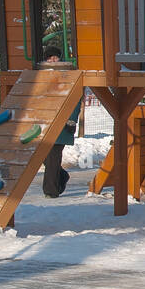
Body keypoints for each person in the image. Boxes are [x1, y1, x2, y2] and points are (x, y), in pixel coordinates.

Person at [41, 51, 80, 198]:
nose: (52, 59)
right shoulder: (42, 76)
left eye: (55, 56)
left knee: (52, 156)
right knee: (43, 156)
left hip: (62, 123)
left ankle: (51, 190)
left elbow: (76, 99)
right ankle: (61, 175)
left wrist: (71, 119)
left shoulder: (67, 76)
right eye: (50, 57)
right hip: (45, 122)